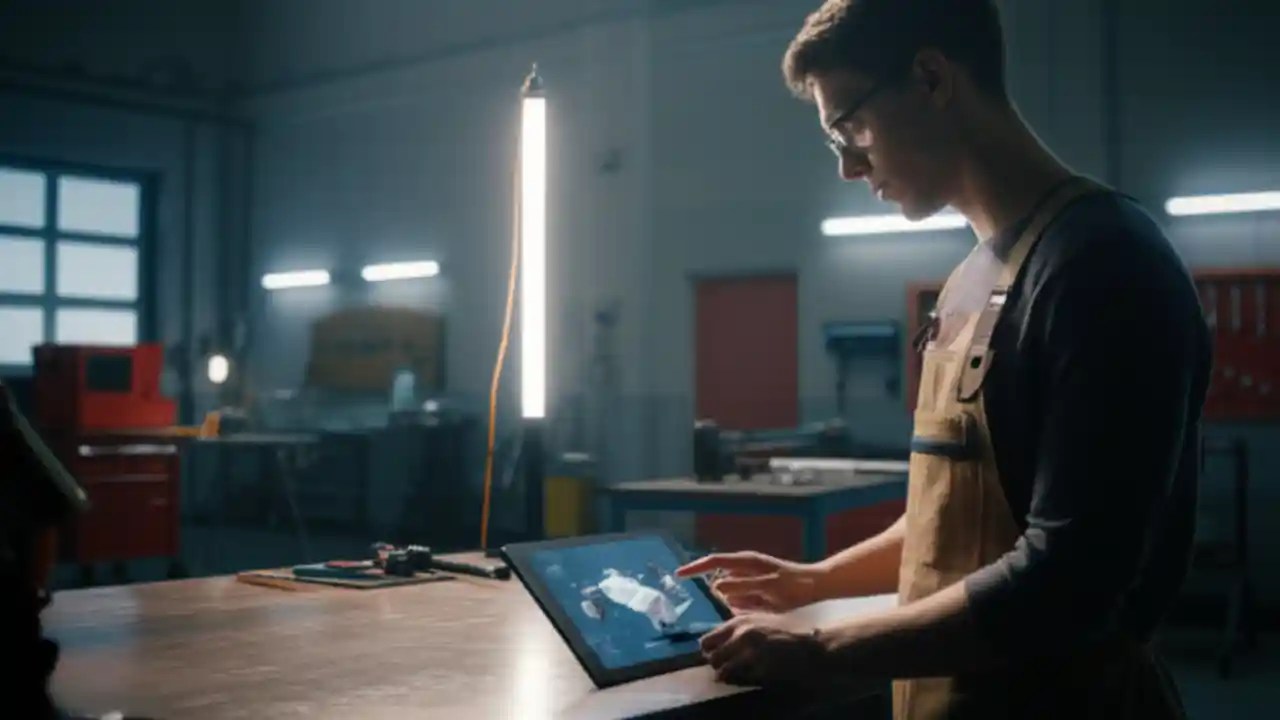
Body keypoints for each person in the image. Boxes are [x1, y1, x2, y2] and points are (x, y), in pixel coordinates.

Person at [676, 1, 1211, 718]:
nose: (846, 165)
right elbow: (948, 522)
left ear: (931, 78)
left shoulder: (1105, 265)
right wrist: (812, 583)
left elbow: (1070, 578)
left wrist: (823, 651)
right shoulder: (966, 281)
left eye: (850, 127)